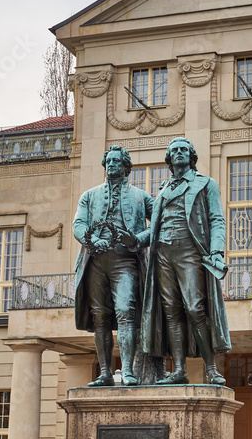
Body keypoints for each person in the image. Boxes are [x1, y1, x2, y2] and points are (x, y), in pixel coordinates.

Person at [141, 137, 231, 385]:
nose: (179, 153)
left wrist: (217, 250)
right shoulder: (163, 189)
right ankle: (179, 370)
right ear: (169, 159)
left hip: (190, 252)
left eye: (184, 150)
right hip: (163, 254)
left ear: (192, 156)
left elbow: (217, 219)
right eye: (174, 150)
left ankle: (211, 369)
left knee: (194, 308)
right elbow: (154, 228)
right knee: (171, 311)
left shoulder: (205, 183)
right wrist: (135, 240)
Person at [73, 145, 154, 386]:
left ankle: (127, 371)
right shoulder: (89, 196)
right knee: (100, 317)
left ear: (126, 166)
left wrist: (137, 239)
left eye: (116, 161)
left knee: (126, 311)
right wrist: (91, 240)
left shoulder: (141, 196)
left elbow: (159, 224)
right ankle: (105, 373)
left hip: (125, 261)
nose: (111, 165)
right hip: (95, 262)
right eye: (108, 161)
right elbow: (78, 224)